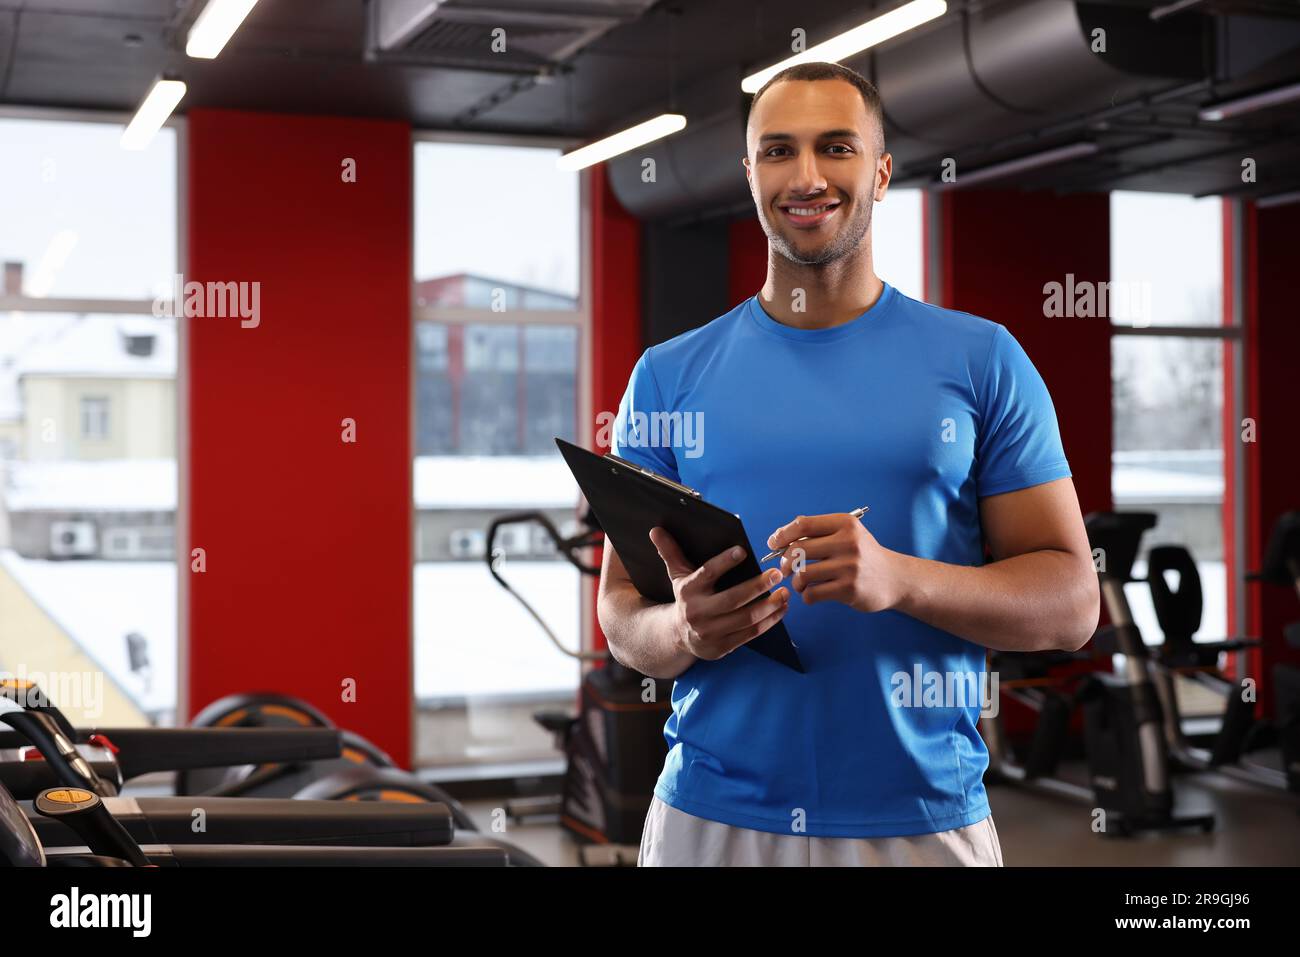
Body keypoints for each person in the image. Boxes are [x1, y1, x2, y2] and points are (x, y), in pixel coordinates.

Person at [596, 61, 1099, 866]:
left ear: (881, 171)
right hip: (711, 818)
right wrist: (682, 626)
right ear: (749, 173)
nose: (806, 176)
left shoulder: (983, 361)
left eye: (836, 147)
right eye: (778, 151)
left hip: (922, 819)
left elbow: (1072, 604)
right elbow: (622, 619)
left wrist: (901, 579)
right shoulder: (666, 376)